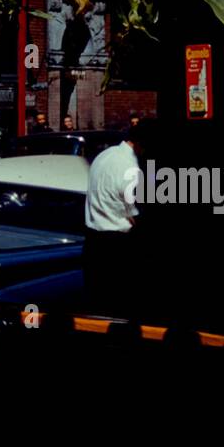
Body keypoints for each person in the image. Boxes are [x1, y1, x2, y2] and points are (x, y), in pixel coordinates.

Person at [83, 120, 151, 318]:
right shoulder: (130, 169)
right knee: (119, 310)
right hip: (118, 246)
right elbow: (134, 216)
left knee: (96, 309)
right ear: (140, 144)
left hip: (93, 241)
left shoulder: (104, 155)